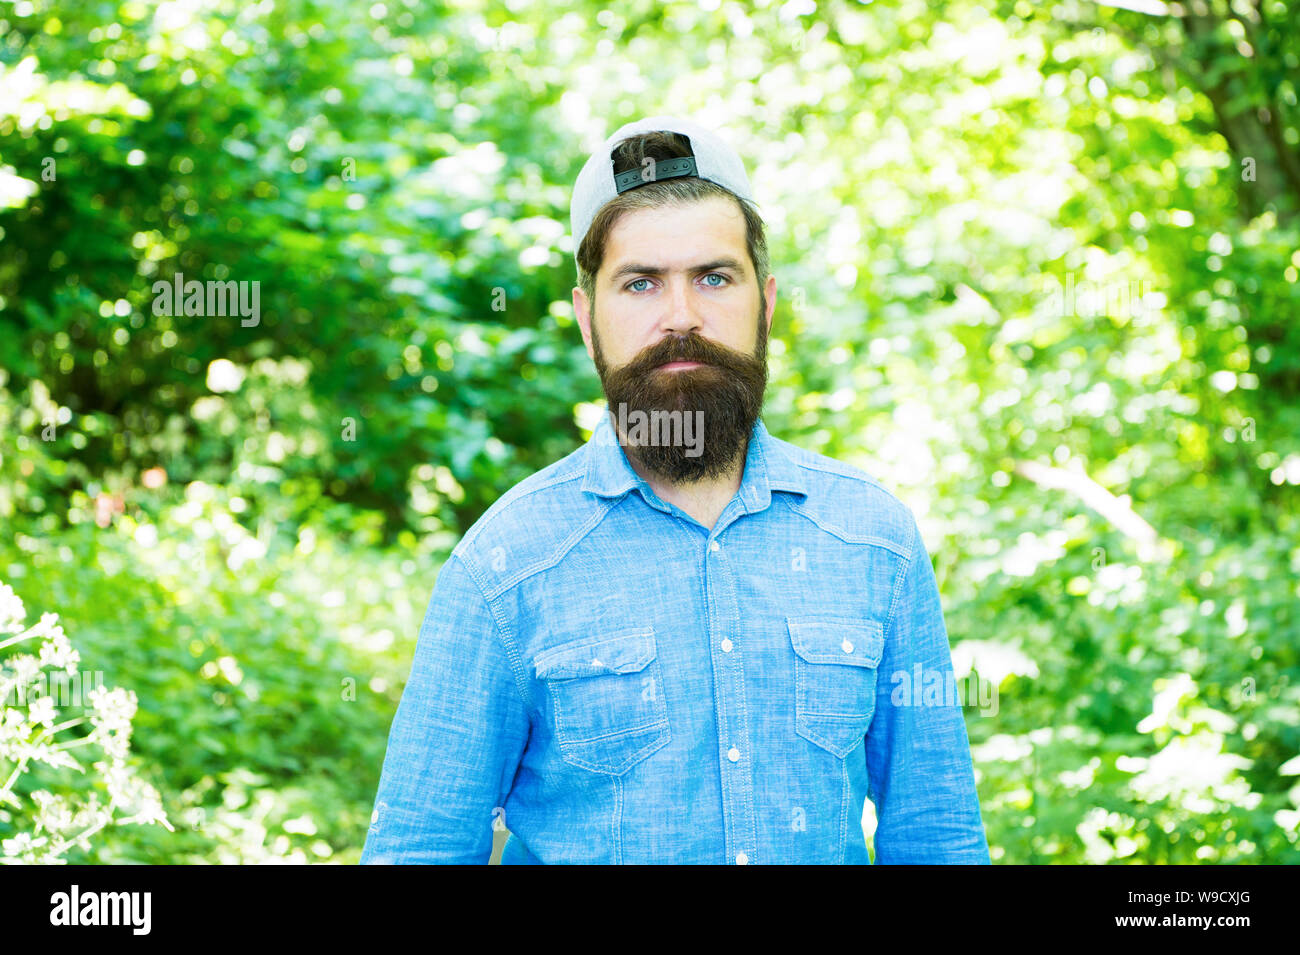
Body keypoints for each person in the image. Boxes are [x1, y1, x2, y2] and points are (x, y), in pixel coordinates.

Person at [360, 115, 990, 864]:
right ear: (588, 319)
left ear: (767, 305)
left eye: (715, 277)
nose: (682, 316)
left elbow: (937, 835)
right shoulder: (503, 566)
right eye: (641, 282)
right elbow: (419, 848)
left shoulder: (874, 539)